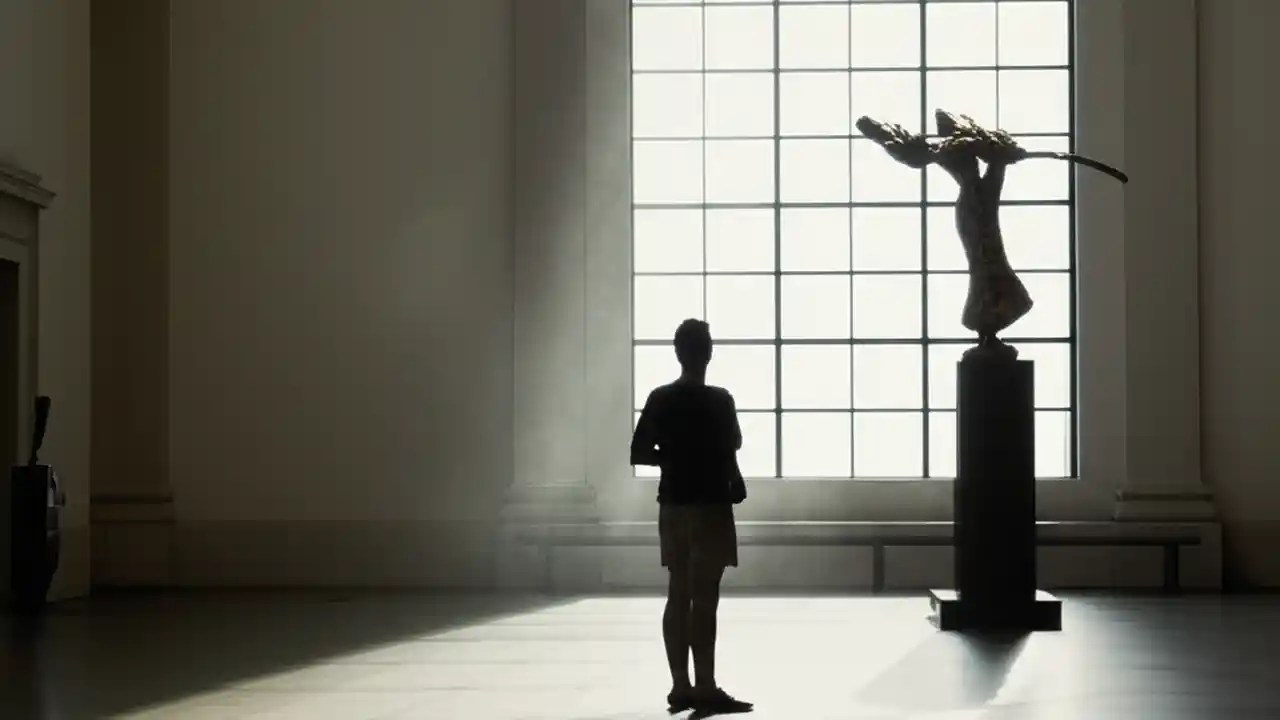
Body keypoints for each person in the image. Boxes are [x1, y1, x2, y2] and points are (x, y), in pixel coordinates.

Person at [630, 319, 752, 713]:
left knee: (678, 592)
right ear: (709, 352)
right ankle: (706, 685)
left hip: (675, 504)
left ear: (677, 352)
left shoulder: (661, 398)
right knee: (706, 598)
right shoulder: (721, 400)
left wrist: (674, 458)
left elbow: (639, 452)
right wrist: (732, 477)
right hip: (712, 506)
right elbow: (730, 448)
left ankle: (680, 685)